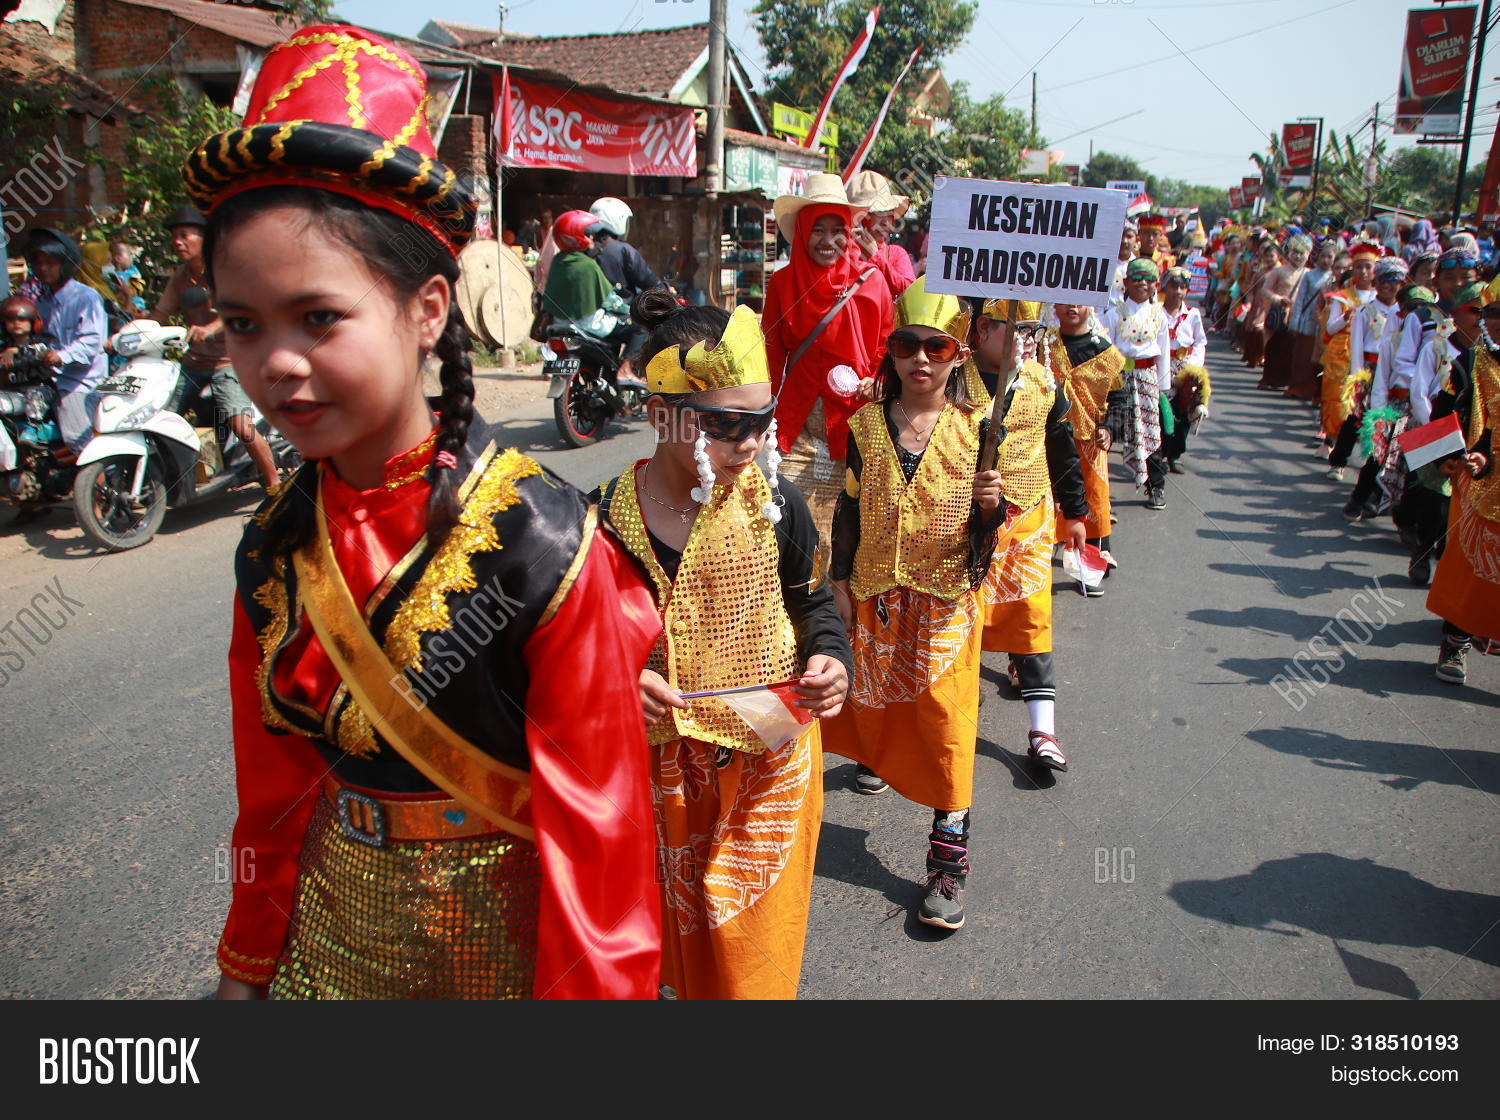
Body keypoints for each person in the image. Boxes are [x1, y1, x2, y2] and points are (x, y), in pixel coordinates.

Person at [188, 23, 663, 1000]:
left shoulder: (547, 547)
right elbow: (273, 800)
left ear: (429, 311)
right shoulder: (276, 544)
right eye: (243, 323)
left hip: (500, 965)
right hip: (329, 957)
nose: (275, 360)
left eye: (319, 317)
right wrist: (243, 971)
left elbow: (603, 865)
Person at [594, 292, 851, 999]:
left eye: (761, 423)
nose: (748, 444)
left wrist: (833, 659)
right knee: (666, 944)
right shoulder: (597, 523)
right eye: (723, 425)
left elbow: (813, 602)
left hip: (769, 753)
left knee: (750, 954)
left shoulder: (778, 504)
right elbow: (561, 652)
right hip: (657, 772)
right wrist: (615, 682)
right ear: (659, 414)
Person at [823, 280, 1002, 931]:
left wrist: (990, 506)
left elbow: (989, 536)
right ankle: (874, 760)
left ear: (958, 355)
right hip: (875, 597)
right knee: (864, 704)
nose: (920, 358)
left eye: (937, 346)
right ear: (892, 350)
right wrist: (838, 581)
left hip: (944, 607)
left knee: (947, 730)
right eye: (907, 345)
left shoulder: (978, 428)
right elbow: (847, 505)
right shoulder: (866, 425)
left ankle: (947, 863)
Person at [966, 295, 1087, 780]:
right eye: (1012, 329)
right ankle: (942, 721)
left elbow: (1063, 449)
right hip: (967, 529)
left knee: (1032, 621)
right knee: (962, 625)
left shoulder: (1043, 382)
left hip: (1030, 524)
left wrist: (1076, 513)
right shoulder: (955, 382)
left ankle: (1042, 729)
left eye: (1032, 332)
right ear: (980, 332)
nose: (1024, 341)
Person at [762, 172, 894, 564]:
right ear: (801, 233)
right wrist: (758, 420)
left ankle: (841, 620)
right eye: (816, 229)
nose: (827, 240)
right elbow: (769, 355)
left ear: (849, 233)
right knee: (788, 528)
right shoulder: (783, 284)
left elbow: (888, 349)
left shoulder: (873, 283)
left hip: (855, 429)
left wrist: (878, 383)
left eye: (837, 229)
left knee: (848, 536)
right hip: (798, 428)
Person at [152, 205, 281, 492]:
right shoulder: (181, 275)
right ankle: (176, 480)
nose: (178, 241)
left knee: (240, 425)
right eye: (174, 236)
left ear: (204, 239)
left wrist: (211, 328)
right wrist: (129, 331)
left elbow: (241, 308)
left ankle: (275, 485)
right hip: (193, 364)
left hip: (229, 361)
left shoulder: (224, 269)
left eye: (185, 235)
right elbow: (159, 314)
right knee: (161, 415)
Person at [1427, 294, 1499, 684]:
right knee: (1471, 562)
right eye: (1494, 313)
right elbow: (1445, 410)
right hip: (1477, 483)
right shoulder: (1469, 363)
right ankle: (1456, 640)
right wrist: (1454, 457)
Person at [1347, 281, 1432, 523]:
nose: (1418, 313)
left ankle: (1405, 517)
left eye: (1424, 308)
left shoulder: (1436, 344)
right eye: (1412, 308)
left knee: (1415, 464)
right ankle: (1359, 497)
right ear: (1402, 312)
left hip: (1421, 411)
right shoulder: (1392, 341)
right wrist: (1377, 413)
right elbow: (1382, 379)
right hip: (1395, 407)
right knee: (1379, 455)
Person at [1049, 302, 1125, 567]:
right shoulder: (1042, 347)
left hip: (1090, 442)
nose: (1072, 306)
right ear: (1054, 306)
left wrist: (1109, 429)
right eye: (1066, 300)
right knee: (1051, 497)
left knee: (1093, 498)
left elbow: (1119, 399)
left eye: (1080, 300)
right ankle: (1047, 550)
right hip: (1050, 438)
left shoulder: (1105, 352)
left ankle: (1094, 559)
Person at [22, 228, 107, 457]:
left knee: (78, 441)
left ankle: (101, 486)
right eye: (38, 263)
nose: (43, 268)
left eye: (50, 262)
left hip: (78, 381)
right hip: (47, 379)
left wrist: (61, 355)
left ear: (65, 263)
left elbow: (92, 342)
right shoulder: (41, 301)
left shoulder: (86, 297)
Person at [542, 208, 646, 386]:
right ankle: (626, 370)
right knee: (641, 327)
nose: (591, 239)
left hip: (559, 325)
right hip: (590, 326)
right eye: (588, 235)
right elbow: (609, 300)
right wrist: (631, 309)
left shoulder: (558, 262)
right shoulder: (587, 265)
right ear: (576, 237)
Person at [1328, 256, 1407, 482]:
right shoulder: (1365, 311)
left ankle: (1380, 467)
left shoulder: (1405, 314)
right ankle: (1338, 461)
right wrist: (1357, 376)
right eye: (1382, 279)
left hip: (1393, 372)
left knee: (1386, 419)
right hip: (1368, 371)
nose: (1387, 285)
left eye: (1393, 280)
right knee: (1357, 417)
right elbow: (1357, 345)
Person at [1102, 257, 1172, 510]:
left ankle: (1156, 486)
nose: (1143, 283)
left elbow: (1164, 351)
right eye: (1138, 278)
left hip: (1148, 380)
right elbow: (1104, 350)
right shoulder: (1113, 314)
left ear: (1155, 284)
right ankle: (1099, 493)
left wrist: (1164, 388)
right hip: (1119, 379)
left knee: (1152, 433)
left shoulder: (1159, 314)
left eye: (1149, 278)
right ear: (1127, 282)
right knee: (1110, 431)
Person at [1318, 240, 1380, 464]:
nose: (1363, 272)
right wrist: (1345, 318)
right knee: (1337, 401)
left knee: (1362, 405)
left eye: (1368, 267)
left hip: (1369, 358)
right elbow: (1330, 328)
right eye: (1358, 267)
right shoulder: (1343, 297)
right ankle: (1331, 442)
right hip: (1341, 355)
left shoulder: (1379, 299)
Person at [1160, 267, 1211, 473]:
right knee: (1161, 412)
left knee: (1182, 413)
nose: (1178, 292)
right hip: (1161, 367)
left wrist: (1194, 367)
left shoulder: (1192, 315)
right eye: (1174, 286)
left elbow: (1200, 341)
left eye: (1182, 287)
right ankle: (1159, 453)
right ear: (1164, 287)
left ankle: (1175, 455)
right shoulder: (1156, 312)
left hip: (1184, 370)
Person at [847, 170, 916, 295]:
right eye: (879, 213)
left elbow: (910, 293)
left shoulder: (895, 253)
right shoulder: (842, 253)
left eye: (889, 214)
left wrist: (875, 257)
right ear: (861, 218)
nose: (886, 222)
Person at [1284, 238, 1337, 402]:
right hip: (1307, 321)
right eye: (1322, 256)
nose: (1325, 260)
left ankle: (1316, 391)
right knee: (1302, 357)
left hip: (1325, 324)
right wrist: (1295, 322)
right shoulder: (1309, 275)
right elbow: (1300, 299)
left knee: (1317, 359)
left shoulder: (1335, 278)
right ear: (1316, 257)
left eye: (1329, 256)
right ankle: (1298, 387)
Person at [1256, 235, 1310, 390]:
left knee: (1293, 350)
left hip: (1299, 316)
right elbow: (1265, 290)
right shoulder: (1279, 271)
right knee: (1274, 348)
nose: (1298, 256)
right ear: (1289, 253)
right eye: (1295, 253)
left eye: (1302, 253)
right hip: (1281, 314)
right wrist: (1279, 299)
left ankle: (1288, 381)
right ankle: (1269, 378)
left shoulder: (1308, 274)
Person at [587, 196, 660, 301]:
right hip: (621, 314)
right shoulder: (623, 250)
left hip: (590, 313)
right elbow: (650, 283)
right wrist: (666, 289)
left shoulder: (584, 246)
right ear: (617, 219)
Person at [102, 242, 147, 314]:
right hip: (128, 308)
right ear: (118, 258)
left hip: (137, 307)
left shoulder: (131, 272)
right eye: (129, 255)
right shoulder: (114, 277)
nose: (131, 258)